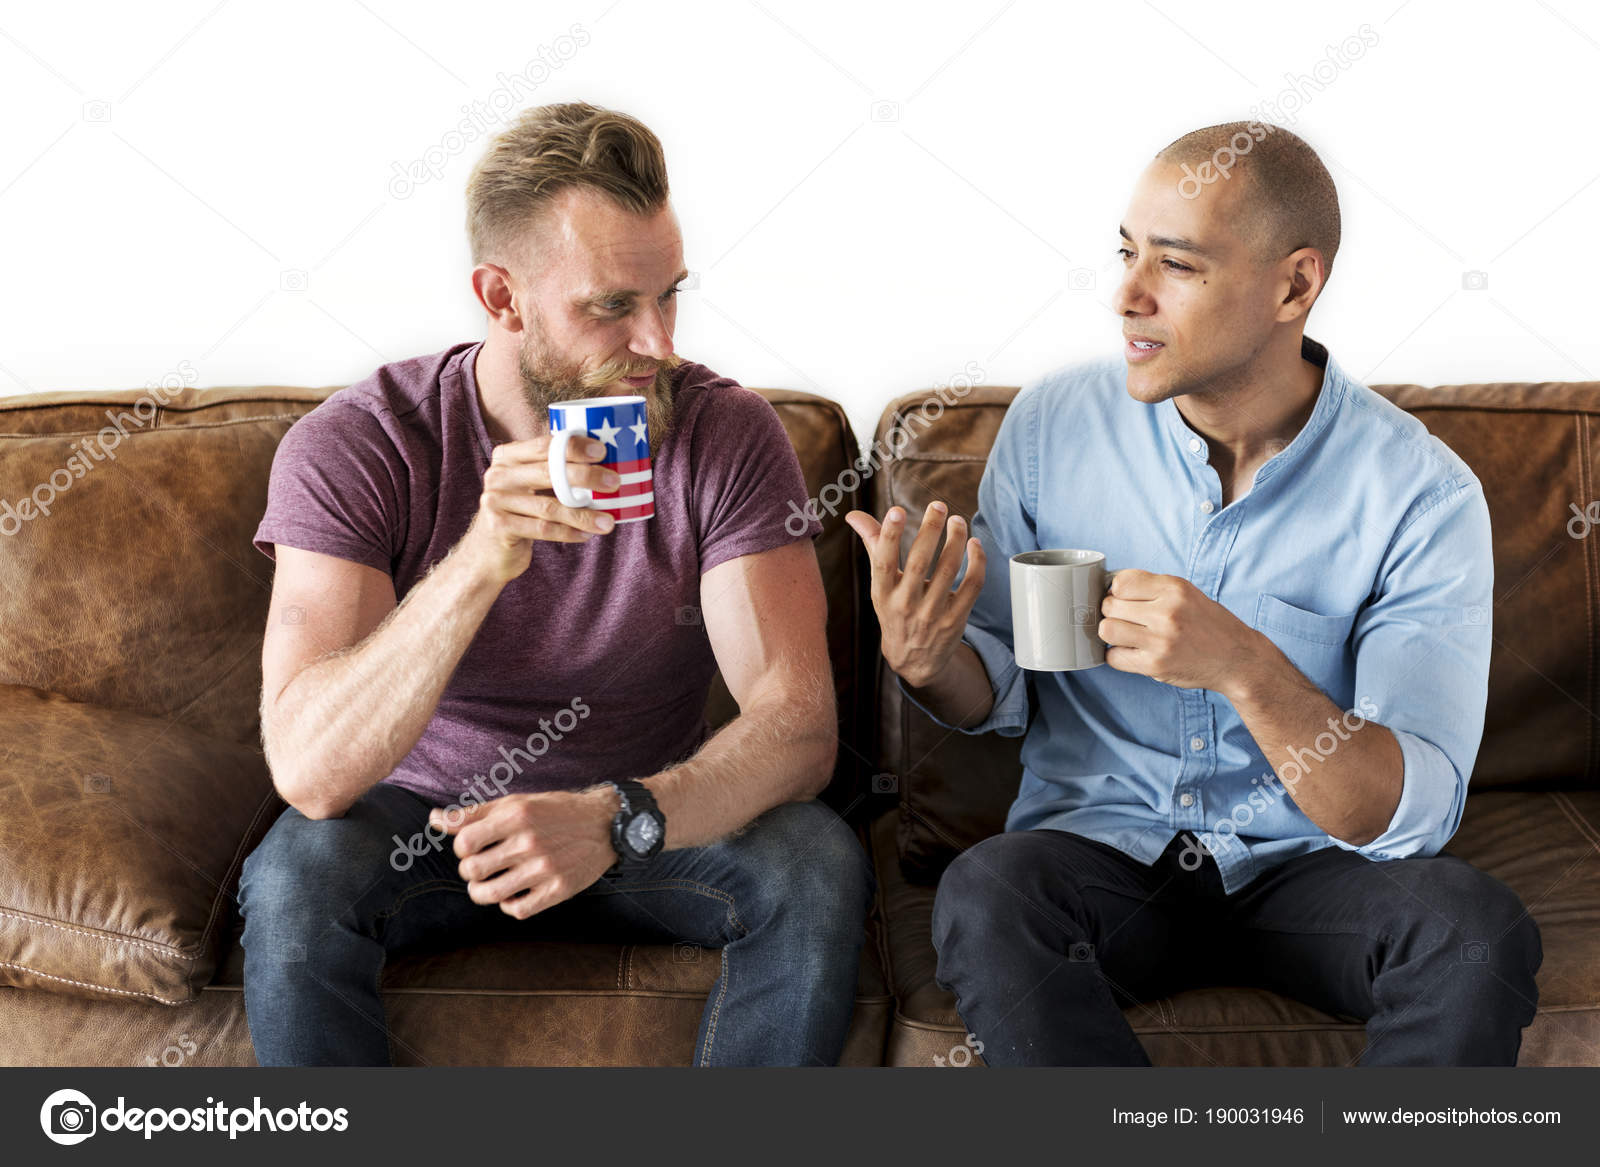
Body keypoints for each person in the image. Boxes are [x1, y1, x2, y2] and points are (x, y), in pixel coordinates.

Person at [846, 122, 1541, 1066]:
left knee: (1474, 931)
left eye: (1175, 264)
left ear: (1294, 285)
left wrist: (1248, 668)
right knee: (988, 892)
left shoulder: (1424, 494)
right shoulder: (1052, 430)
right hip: (1102, 857)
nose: (1127, 295)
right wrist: (932, 662)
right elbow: (1004, 694)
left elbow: (1404, 810)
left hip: (1312, 872)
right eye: (1126, 253)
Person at [239, 102, 872, 1067]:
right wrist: (482, 557)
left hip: (642, 811)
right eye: (612, 305)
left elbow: (799, 725)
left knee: (816, 860)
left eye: (670, 295)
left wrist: (618, 816)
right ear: (501, 298)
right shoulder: (359, 444)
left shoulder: (724, 431)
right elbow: (311, 771)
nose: (658, 342)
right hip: (423, 823)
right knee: (295, 878)